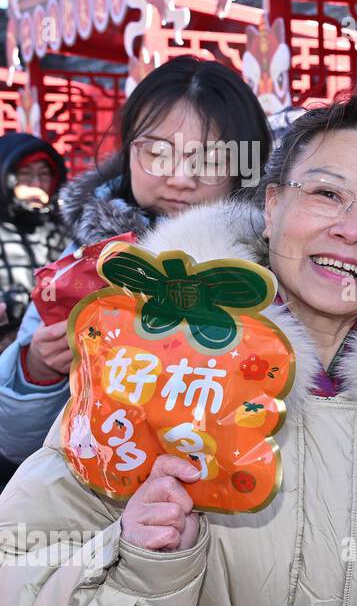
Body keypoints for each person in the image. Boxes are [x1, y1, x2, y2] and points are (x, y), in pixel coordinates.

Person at [0, 88, 357, 606]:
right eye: (327, 194)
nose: (352, 229)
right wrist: (139, 560)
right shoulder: (155, 349)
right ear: (273, 203)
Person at [0, 56, 273, 467]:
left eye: (211, 159)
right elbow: (16, 444)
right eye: (158, 153)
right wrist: (36, 371)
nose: (181, 177)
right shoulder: (84, 263)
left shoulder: (270, 266)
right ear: (128, 149)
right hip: (104, 507)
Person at [0, 133, 68, 357]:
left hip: (53, 353)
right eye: (26, 175)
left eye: (44, 175)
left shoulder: (68, 233)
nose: (37, 185)